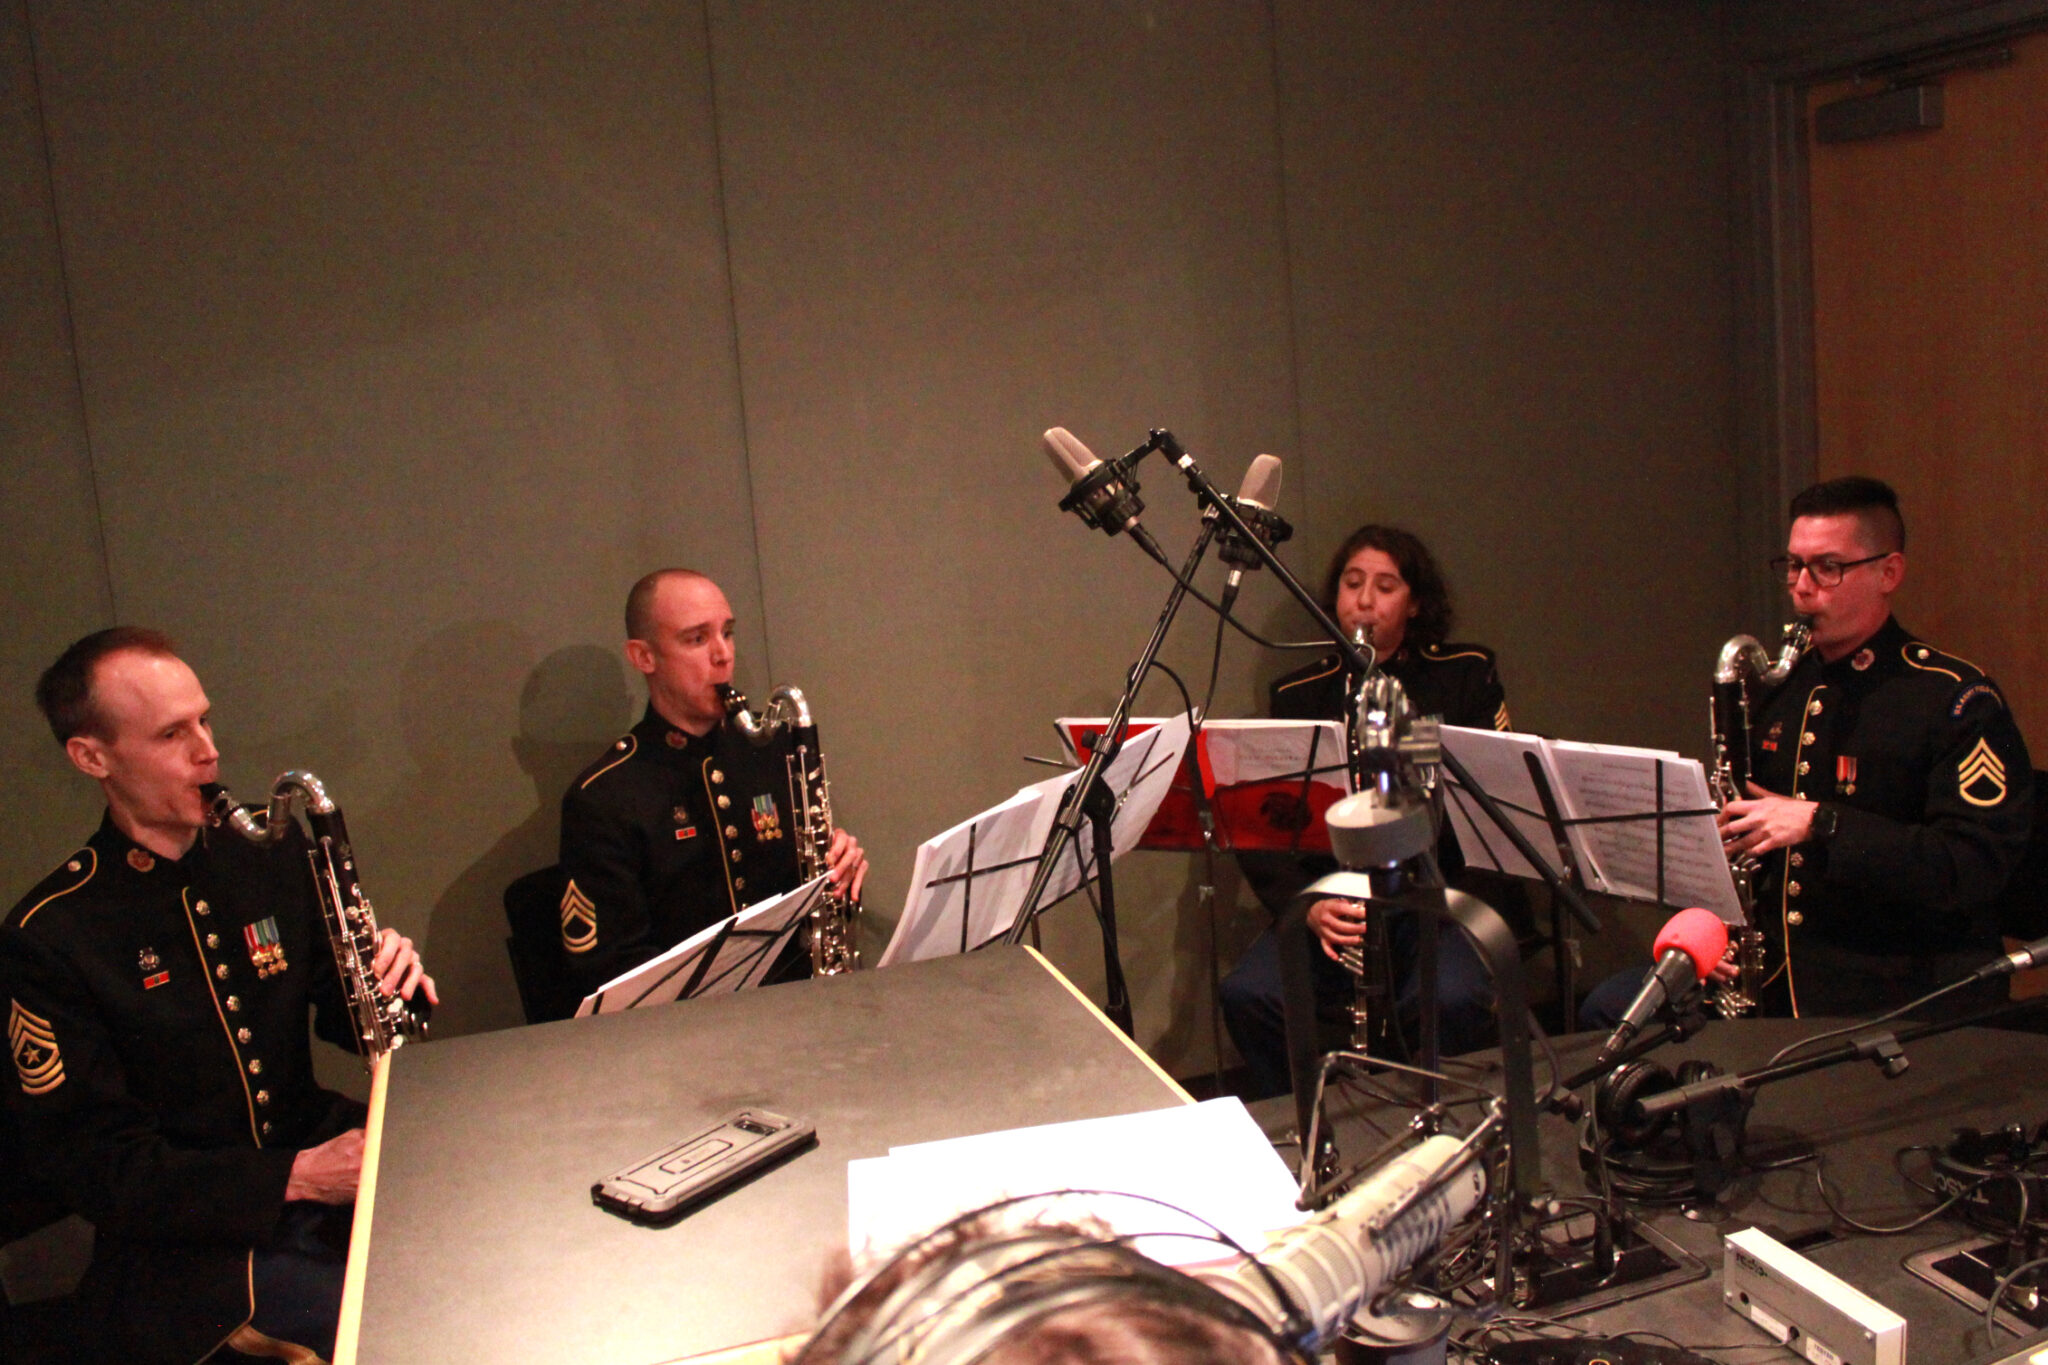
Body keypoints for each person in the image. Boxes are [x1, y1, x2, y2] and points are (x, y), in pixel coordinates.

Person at [1, 627, 436, 1364]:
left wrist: (399, 978)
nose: (208, 750)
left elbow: (353, 1018)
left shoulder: (269, 857)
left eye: (204, 720)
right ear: (92, 757)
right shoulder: (54, 934)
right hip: (188, 1248)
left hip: (325, 1170)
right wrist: (296, 1176)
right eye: (172, 733)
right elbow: (101, 1170)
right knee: (389, 1338)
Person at [1585, 476, 2034, 1025]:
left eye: (1828, 568)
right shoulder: (1774, 686)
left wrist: (1824, 823)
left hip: (1897, 982)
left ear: (1888, 572)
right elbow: (1739, 835)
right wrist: (1714, 923)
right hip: (1776, 968)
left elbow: (1972, 867)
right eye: (1794, 566)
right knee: (1607, 1010)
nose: (1802, 587)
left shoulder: (1954, 697)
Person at [1219, 525, 1513, 1098]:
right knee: (1249, 994)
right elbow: (1269, 823)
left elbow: (1494, 806)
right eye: (1353, 584)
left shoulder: (1462, 674)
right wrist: (1308, 907)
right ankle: (1321, 1123)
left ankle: (1441, 1124)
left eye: (1385, 586)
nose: (1364, 600)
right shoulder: (1299, 694)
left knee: (1449, 999)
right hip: (1340, 896)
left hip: (1438, 894)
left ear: (1415, 602)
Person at [557, 569, 868, 997]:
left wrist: (839, 870)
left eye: (728, 633)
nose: (723, 655)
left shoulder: (773, 751)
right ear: (644, 657)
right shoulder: (605, 797)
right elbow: (610, 974)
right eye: (697, 639)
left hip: (802, 1005)